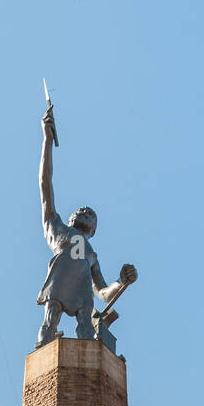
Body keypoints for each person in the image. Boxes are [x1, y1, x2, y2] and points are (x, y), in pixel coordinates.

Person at [36, 106, 137, 347]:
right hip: (58, 285)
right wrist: (47, 140)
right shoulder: (57, 228)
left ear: (93, 230)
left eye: (91, 215)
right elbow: (45, 183)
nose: (85, 212)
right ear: (71, 220)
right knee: (51, 320)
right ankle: (46, 346)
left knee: (86, 332)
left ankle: (88, 353)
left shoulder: (90, 255)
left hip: (84, 298)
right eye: (81, 211)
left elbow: (102, 293)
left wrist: (121, 282)